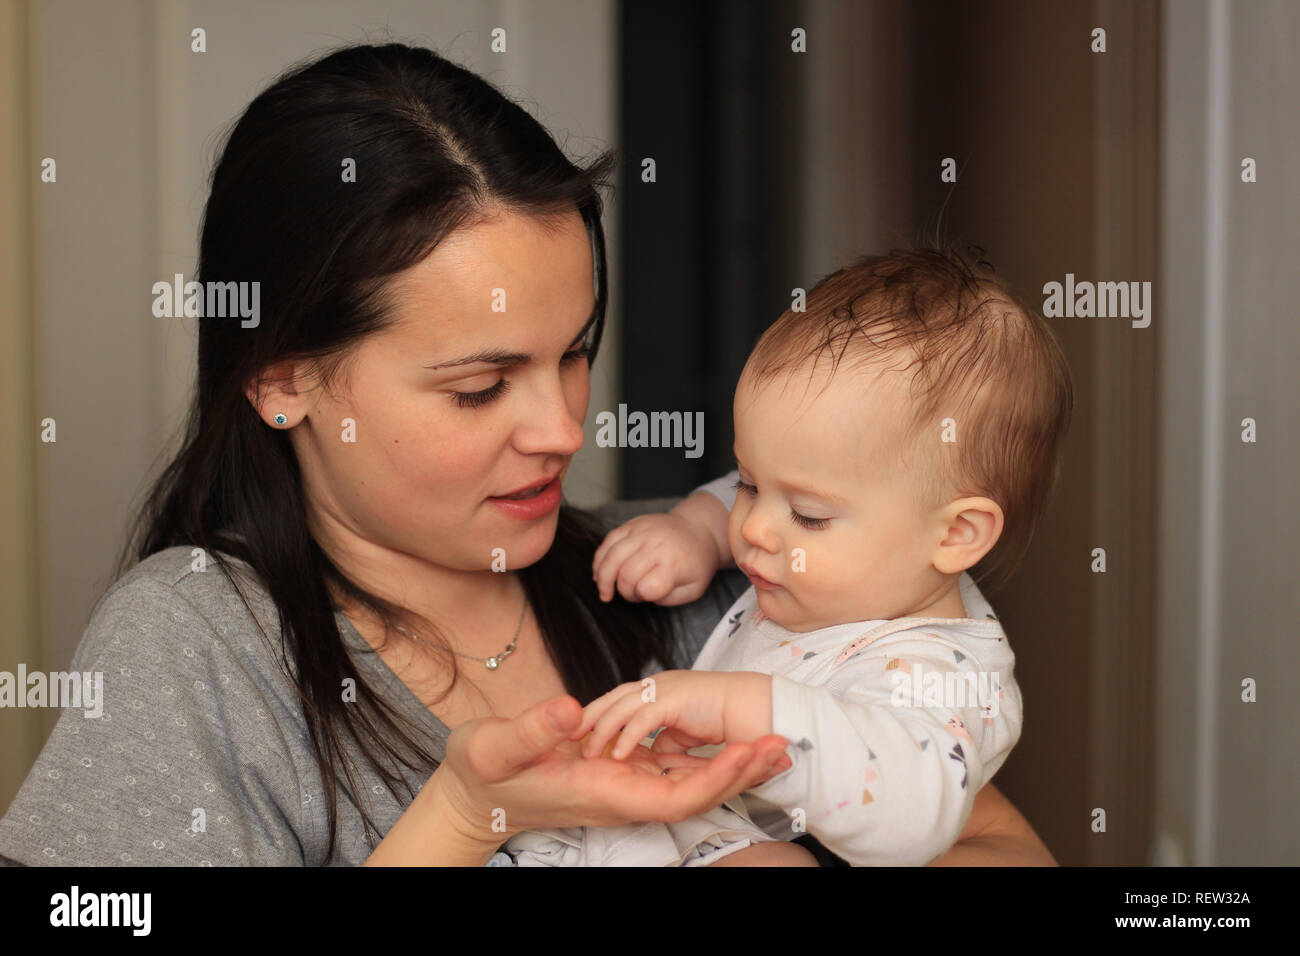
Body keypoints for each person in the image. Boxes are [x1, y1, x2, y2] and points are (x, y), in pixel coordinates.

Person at [0, 43, 1054, 867]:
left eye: (576, 354)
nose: (562, 428)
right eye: (479, 385)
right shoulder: (198, 646)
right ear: (282, 377)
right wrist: (467, 812)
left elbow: (986, 835)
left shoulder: (718, 583)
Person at [498, 248, 1073, 867]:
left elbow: (910, 818)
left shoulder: (944, 672)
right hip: (656, 821)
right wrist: (695, 531)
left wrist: (737, 707)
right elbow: (761, 493)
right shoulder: (831, 551)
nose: (755, 528)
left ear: (956, 533)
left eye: (808, 515)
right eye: (749, 483)